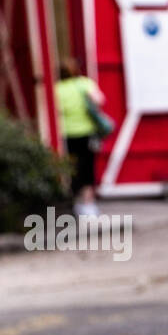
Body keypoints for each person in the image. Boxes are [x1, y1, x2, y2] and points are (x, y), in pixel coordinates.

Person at [54, 58, 107, 217]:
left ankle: (75, 202)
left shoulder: (57, 89)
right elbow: (100, 100)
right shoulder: (84, 84)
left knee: (71, 168)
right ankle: (88, 204)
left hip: (66, 134)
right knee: (87, 167)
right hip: (86, 133)